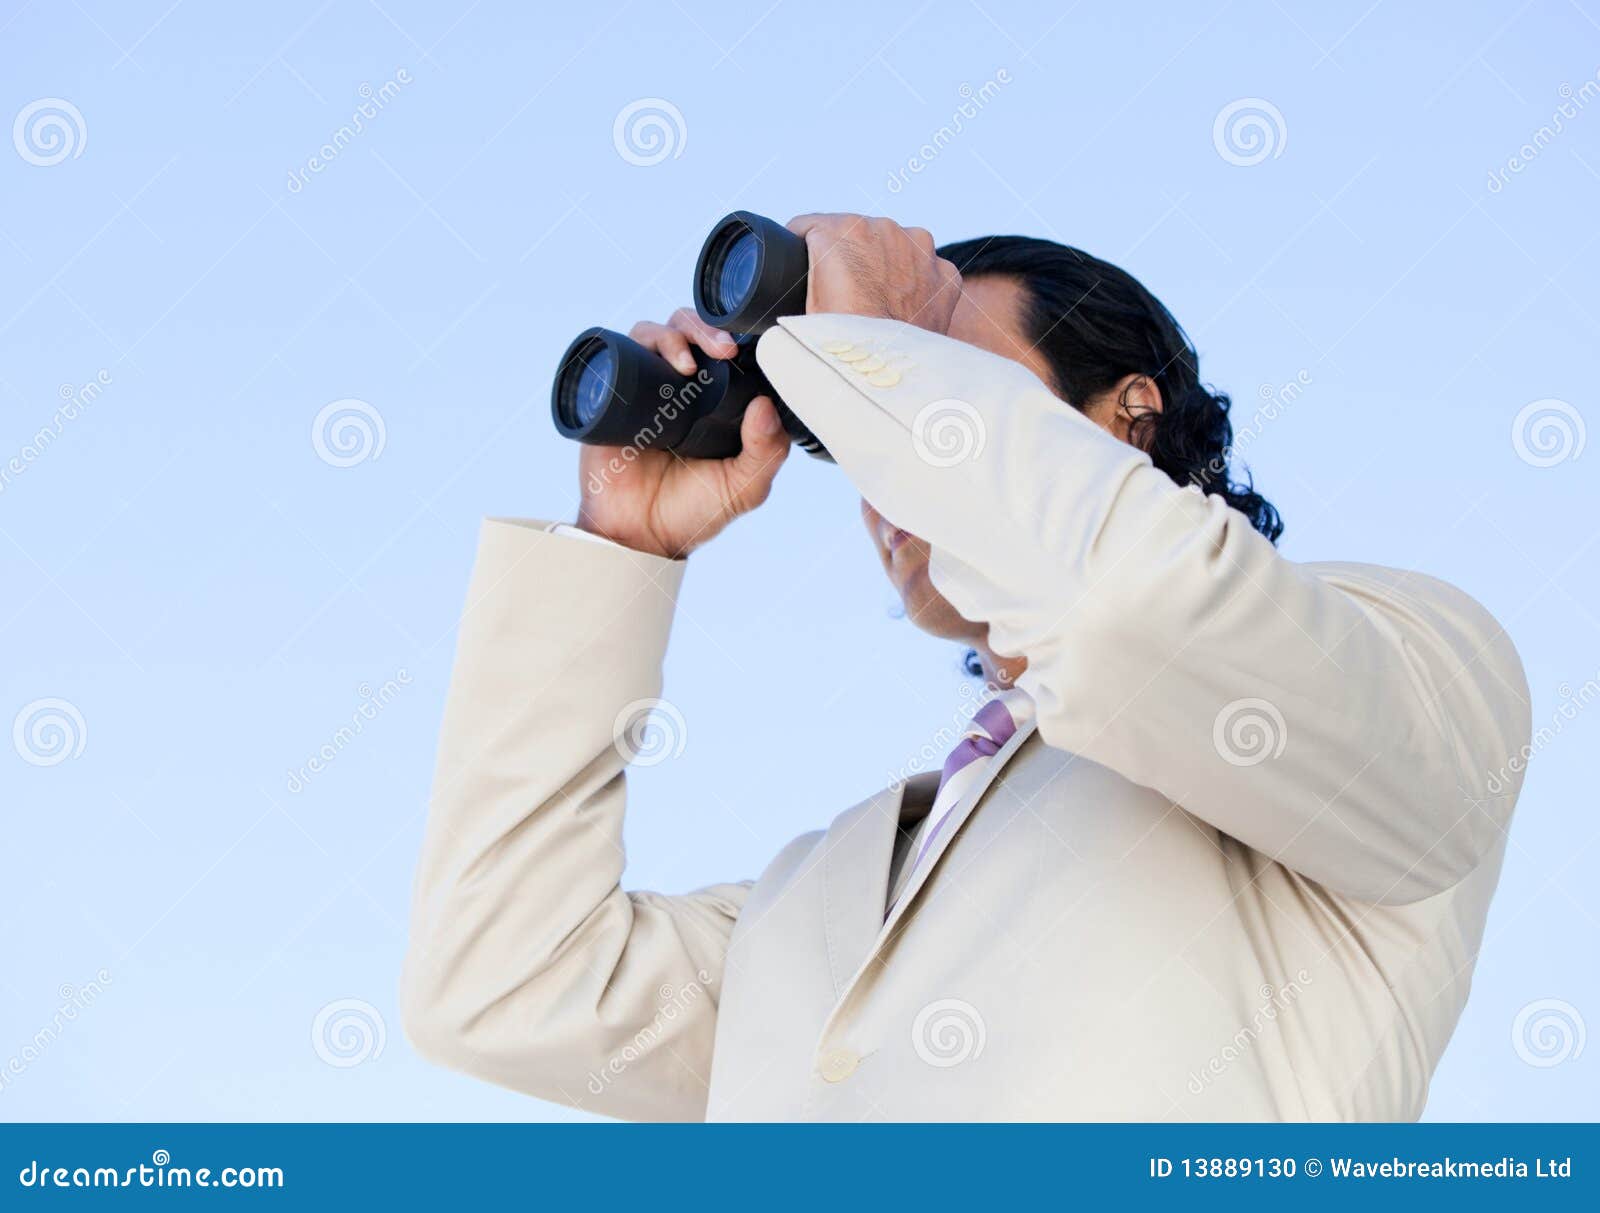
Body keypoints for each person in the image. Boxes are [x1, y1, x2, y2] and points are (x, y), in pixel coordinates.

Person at [400, 214, 1531, 1121]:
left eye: (939, 373)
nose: (883, 459)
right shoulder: (820, 901)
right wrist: (619, 549)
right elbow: (502, 985)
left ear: (1131, 415)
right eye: (844, 427)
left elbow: (1129, 611)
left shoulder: (1403, 642)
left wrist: (872, 349)